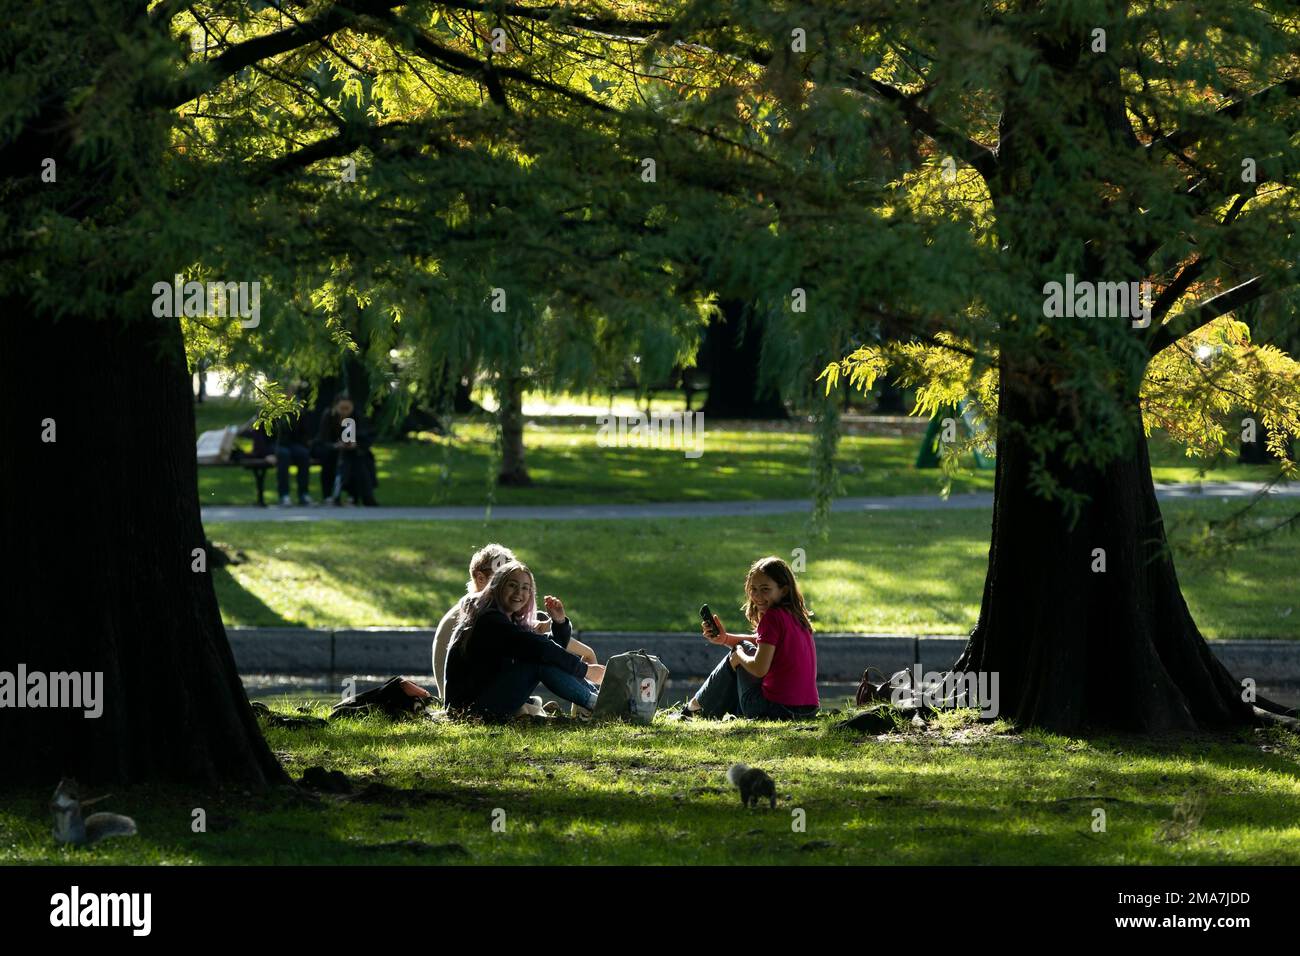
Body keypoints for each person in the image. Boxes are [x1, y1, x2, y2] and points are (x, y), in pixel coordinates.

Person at [431, 544, 597, 699]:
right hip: (472, 699)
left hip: (481, 691)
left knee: (549, 656)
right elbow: (540, 649)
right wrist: (585, 668)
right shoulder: (483, 614)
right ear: (481, 578)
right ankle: (595, 702)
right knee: (542, 660)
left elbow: (547, 647)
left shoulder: (498, 612)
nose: (515, 592)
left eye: (522, 585)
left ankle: (596, 698)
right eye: (507, 582)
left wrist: (559, 623)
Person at [682, 556, 819, 720]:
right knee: (744, 648)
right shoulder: (797, 618)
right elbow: (761, 642)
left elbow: (759, 668)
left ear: (783, 590)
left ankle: (694, 708)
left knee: (741, 651)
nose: (757, 595)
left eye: (765, 589)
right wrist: (725, 639)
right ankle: (696, 707)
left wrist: (738, 655)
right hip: (808, 710)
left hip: (775, 710)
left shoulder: (772, 618)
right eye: (753, 589)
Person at [316, 392, 378, 506]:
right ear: (336, 406)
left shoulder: (357, 416)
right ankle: (330, 495)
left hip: (354, 452)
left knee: (359, 462)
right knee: (330, 461)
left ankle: (358, 496)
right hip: (332, 451)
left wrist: (355, 444)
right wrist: (335, 445)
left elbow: (367, 436)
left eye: (348, 408)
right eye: (342, 408)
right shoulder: (328, 415)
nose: (345, 411)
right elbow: (322, 439)